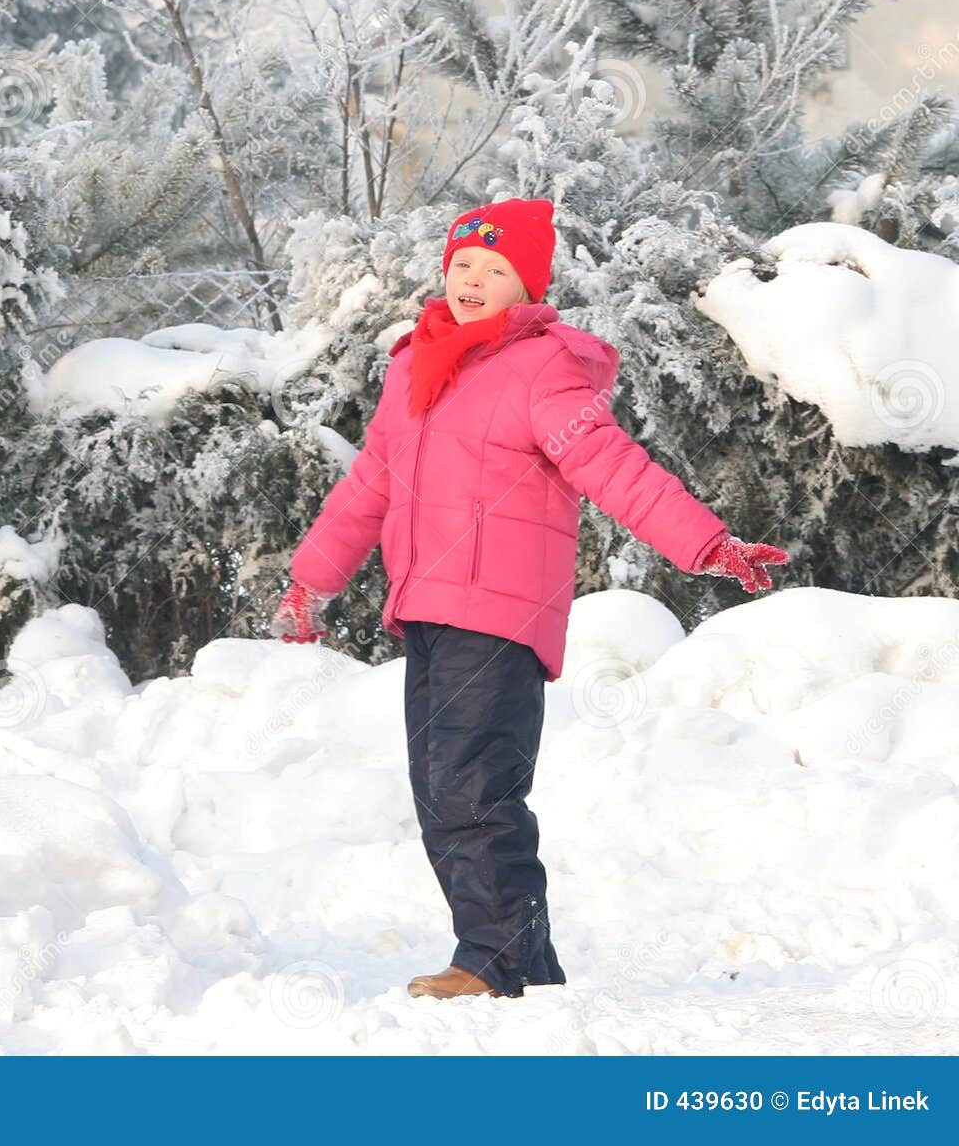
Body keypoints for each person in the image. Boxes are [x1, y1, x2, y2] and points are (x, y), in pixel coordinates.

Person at [268, 197, 789, 1000]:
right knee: (439, 792)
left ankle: (492, 960)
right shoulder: (415, 364)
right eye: (464, 264)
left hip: (500, 612)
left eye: (496, 268)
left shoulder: (544, 366)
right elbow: (371, 481)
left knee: (474, 788)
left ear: (526, 285)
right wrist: (313, 579)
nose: (473, 278)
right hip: (428, 607)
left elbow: (613, 467)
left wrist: (706, 542)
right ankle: (524, 962)